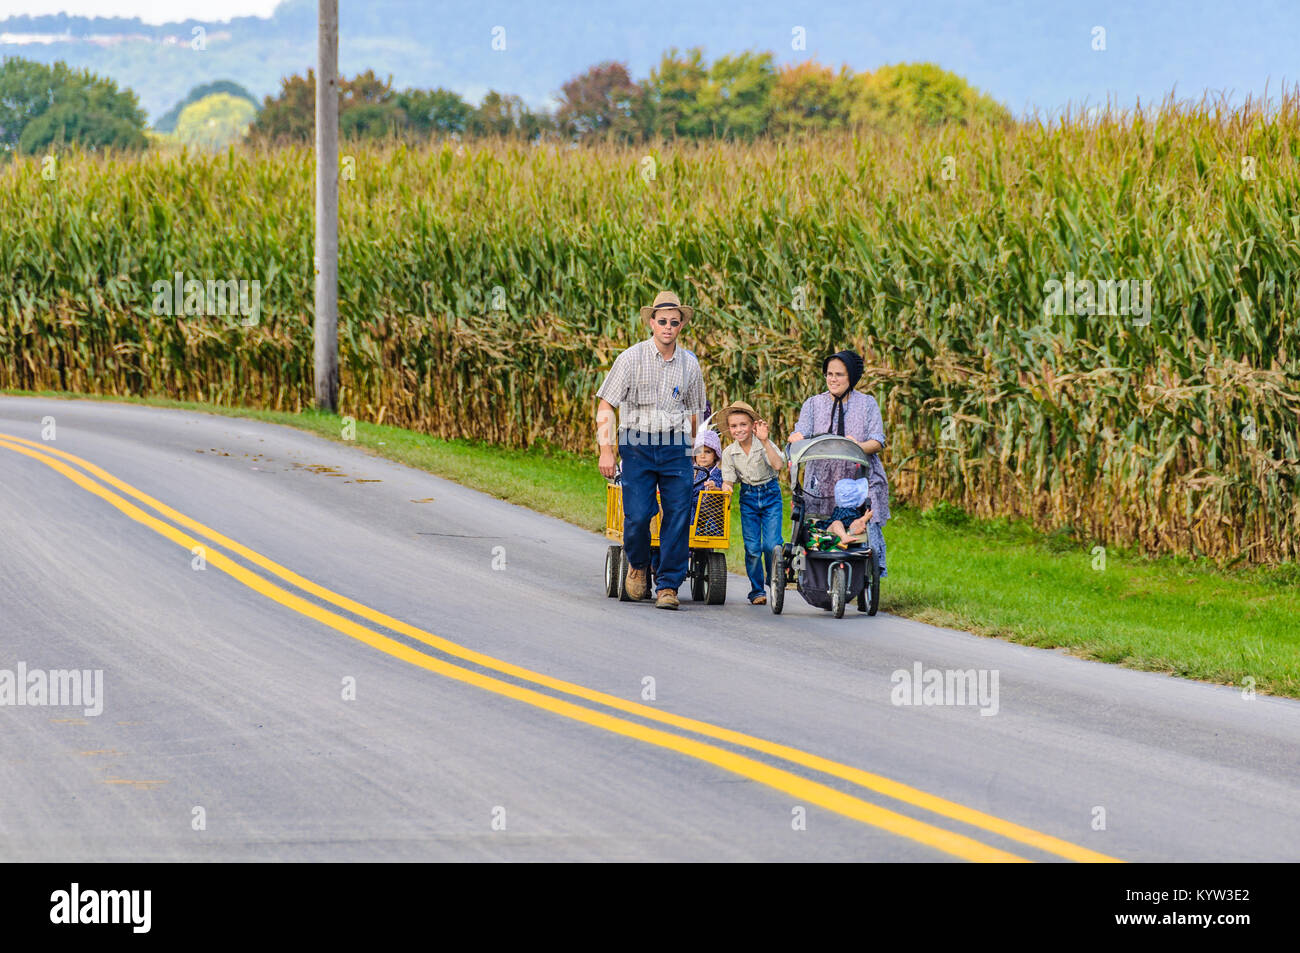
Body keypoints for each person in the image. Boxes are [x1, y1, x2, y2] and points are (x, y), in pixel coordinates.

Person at [596, 290, 707, 610]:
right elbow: (606, 404)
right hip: (637, 444)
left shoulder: (690, 365)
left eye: (675, 322)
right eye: (662, 321)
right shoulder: (631, 358)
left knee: (677, 514)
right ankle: (638, 565)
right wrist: (607, 449)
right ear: (652, 324)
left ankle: (668, 585)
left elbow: (695, 411)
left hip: (675, 447)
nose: (668, 327)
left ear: (682, 325)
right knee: (639, 514)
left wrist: (692, 448)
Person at [788, 349, 889, 576]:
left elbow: (878, 441)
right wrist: (795, 437)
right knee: (817, 520)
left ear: (850, 377)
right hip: (822, 478)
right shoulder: (814, 404)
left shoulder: (867, 404)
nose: (833, 379)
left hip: (857, 475)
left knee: (864, 519)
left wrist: (857, 446)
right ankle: (816, 572)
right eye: (829, 374)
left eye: (839, 374)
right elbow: (800, 433)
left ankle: (864, 572)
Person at [718, 400, 785, 605]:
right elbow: (728, 481)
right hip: (748, 498)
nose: (739, 429)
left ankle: (773, 579)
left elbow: (778, 464)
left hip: (770, 494)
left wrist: (765, 441)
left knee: (771, 545)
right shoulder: (730, 453)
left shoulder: (762, 443)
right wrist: (725, 489)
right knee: (753, 548)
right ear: (729, 429)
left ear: (752, 425)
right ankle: (757, 590)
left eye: (743, 424)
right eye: (734, 426)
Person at [825, 477, 872, 546]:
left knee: (846, 526)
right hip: (830, 531)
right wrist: (865, 518)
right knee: (836, 523)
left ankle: (846, 535)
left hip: (844, 529)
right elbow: (853, 526)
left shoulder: (840, 508)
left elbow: (852, 527)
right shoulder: (852, 514)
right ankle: (845, 537)